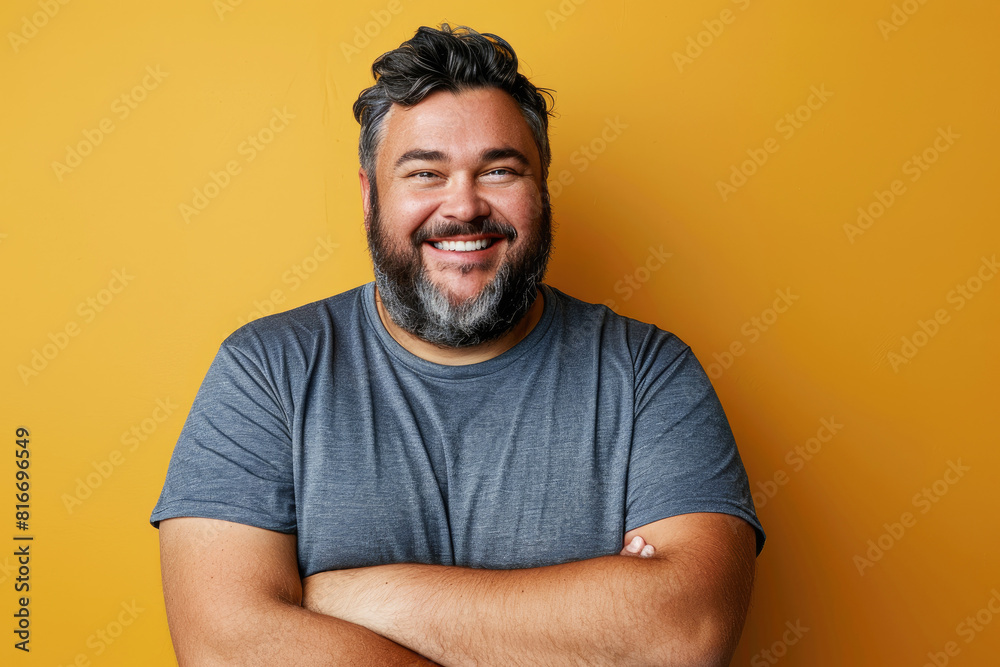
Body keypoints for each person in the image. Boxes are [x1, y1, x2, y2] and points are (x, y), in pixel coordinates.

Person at [152, 24, 765, 666]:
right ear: (370, 197)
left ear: (543, 187)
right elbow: (226, 649)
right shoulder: (267, 373)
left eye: (499, 170)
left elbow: (683, 637)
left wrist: (343, 598)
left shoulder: (648, 374)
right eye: (425, 172)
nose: (464, 207)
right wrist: (583, 629)